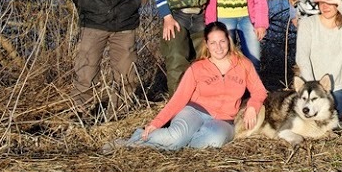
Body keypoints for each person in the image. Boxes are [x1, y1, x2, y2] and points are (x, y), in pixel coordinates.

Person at [103, 22, 267, 152]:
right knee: (174, 137)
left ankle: (179, 143)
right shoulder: (197, 68)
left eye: (222, 41)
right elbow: (178, 99)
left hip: (223, 120)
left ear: (229, 41)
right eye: (213, 43)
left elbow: (259, 91)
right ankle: (135, 140)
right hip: (195, 111)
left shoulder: (244, 65)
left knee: (214, 141)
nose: (218, 47)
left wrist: (253, 107)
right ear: (207, 45)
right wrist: (156, 123)